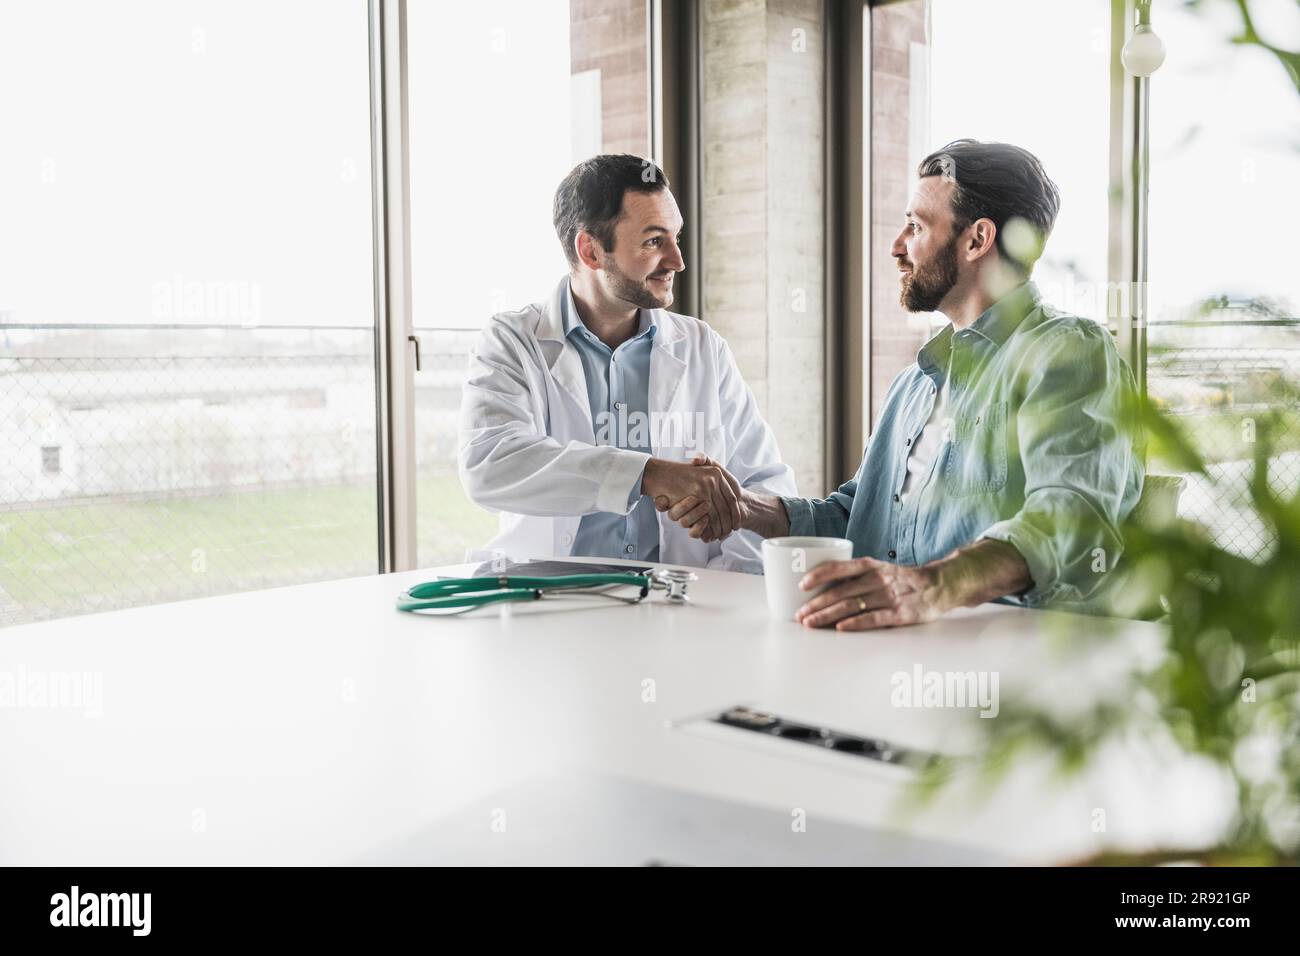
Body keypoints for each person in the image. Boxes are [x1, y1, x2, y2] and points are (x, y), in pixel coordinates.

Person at [661, 139, 1144, 627]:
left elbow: (1073, 518)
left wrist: (932, 586)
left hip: (1019, 668)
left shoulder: (1067, 351)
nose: (896, 246)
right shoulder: (914, 384)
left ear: (977, 240)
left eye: (915, 226)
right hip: (895, 650)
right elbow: (859, 518)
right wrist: (743, 507)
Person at [458, 154, 796, 572]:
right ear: (591, 250)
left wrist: (726, 585)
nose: (677, 260)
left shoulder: (702, 347)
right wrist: (648, 475)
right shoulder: (512, 341)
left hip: (681, 606)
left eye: (676, 237)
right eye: (654, 241)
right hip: (551, 604)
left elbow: (765, 484)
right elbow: (490, 463)